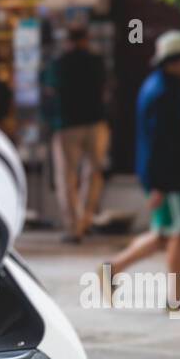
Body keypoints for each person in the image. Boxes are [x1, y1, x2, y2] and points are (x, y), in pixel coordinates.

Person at [101, 30, 180, 314]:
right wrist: (159, 182)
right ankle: (175, 299)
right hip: (170, 179)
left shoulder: (159, 87)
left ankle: (112, 270)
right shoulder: (164, 93)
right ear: (178, 60)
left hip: (169, 177)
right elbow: (163, 141)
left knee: (163, 234)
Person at [48, 25, 108, 243]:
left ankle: (73, 226)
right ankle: (86, 219)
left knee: (67, 177)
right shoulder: (96, 62)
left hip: (68, 125)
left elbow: (50, 90)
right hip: (96, 122)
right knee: (93, 174)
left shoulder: (60, 63)